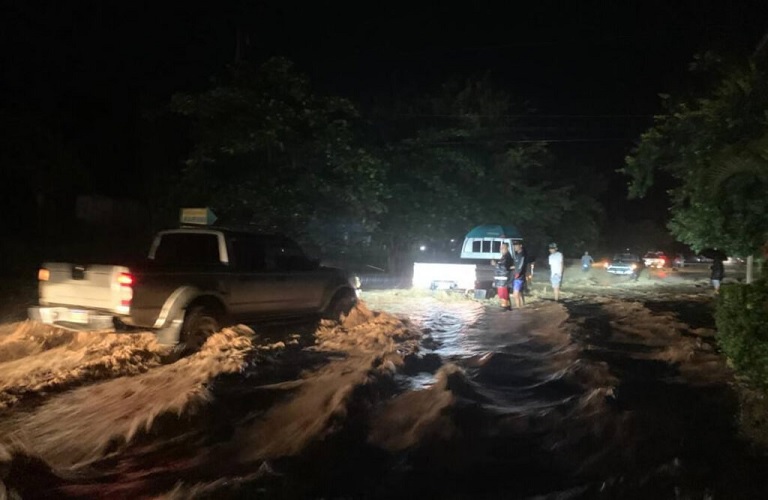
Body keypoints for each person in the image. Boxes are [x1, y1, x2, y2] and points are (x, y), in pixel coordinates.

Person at [493, 242, 514, 310]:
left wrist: (496, 264)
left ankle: (504, 307)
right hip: (503, 280)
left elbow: (505, 267)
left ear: (507, 248)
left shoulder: (507, 257)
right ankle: (507, 307)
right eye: (501, 248)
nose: (501, 249)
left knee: (503, 294)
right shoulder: (505, 256)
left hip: (503, 280)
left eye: (503, 248)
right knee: (504, 294)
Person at [511, 241, 527, 309]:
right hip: (517, 276)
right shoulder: (517, 255)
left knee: (515, 294)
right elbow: (516, 265)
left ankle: (518, 310)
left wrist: (517, 274)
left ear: (520, 246)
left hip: (519, 277)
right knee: (520, 292)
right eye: (514, 245)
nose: (515, 247)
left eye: (516, 245)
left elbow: (521, 265)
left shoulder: (522, 255)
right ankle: (522, 306)